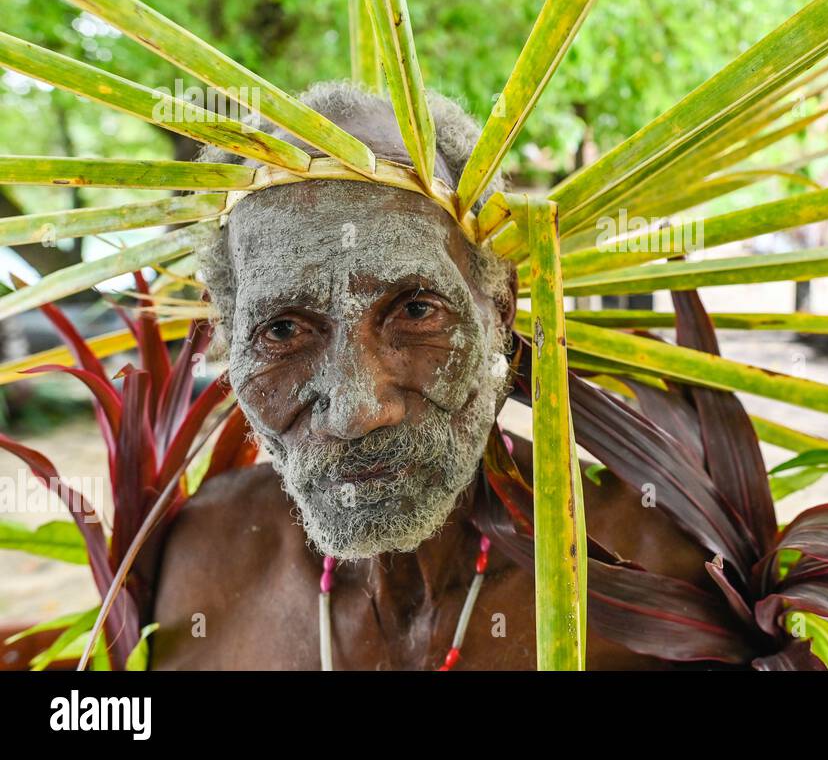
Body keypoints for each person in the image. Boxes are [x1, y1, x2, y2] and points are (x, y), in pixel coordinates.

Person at [150, 84, 708, 669]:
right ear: (226, 332)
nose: (357, 410)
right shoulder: (194, 563)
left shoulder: (653, 573)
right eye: (283, 330)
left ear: (499, 310)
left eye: (415, 311)